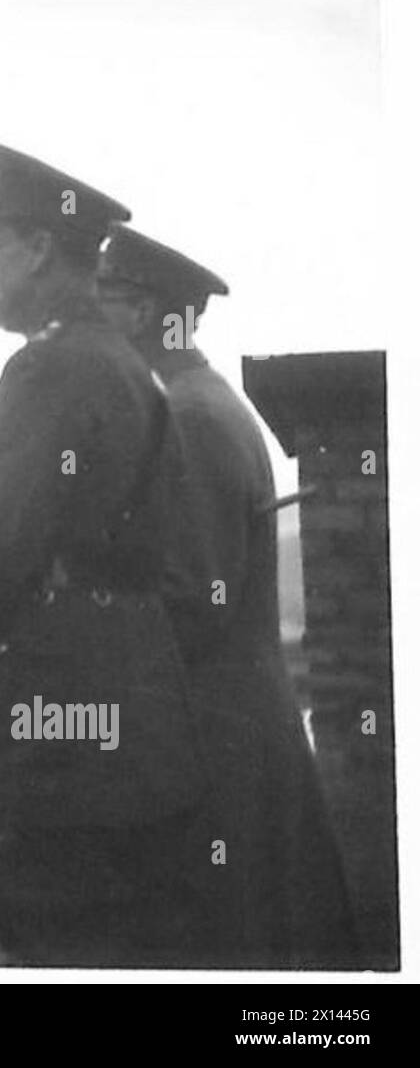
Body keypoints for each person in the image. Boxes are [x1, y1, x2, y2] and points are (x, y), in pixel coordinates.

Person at [0, 145, 210, 967]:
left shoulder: (48, 367)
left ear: (35, 247)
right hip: (135, 737)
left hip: (59, 758)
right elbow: (74, 537)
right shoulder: (130, 369)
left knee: (57, 944)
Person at [96, 224, 357, 966]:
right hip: (232, 731)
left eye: (102, 297)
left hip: (218, 741)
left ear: (144, 311)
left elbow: (193, 603)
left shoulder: (189, 416)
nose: (89, 313)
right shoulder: (197, 403)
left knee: (241, 951)